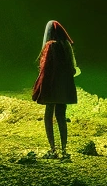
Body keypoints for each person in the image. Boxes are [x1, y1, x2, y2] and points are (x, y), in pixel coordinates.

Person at [32, 18, 78, 157]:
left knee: (48, 116)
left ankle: (53, 148)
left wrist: (40, 87)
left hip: (51, 87)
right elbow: (72, 69)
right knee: (61, 116)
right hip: (64, 88)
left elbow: (46, 69)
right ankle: (63, 148)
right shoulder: (66, 46)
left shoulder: (50, 46)